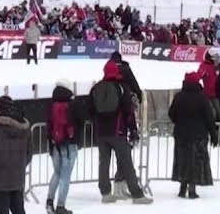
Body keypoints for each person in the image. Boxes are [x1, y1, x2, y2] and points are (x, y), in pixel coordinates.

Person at [90, 61, 151, 204]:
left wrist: (98, 122)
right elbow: (128, 112)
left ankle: (105, 193)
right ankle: (137, 194)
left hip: (101, 133)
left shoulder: (95, 88)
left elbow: (90, 110)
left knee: (103, 162)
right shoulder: (122, 88)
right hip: (118, 131)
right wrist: (133, 130)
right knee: (126, 163)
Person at [167, 72, 217, 200]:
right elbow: (209, 118)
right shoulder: (202, 98)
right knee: (195, 162)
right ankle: (192, 190)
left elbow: (171, 113)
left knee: (182, 161)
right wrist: (213, 133)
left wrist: (179, 122)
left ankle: (182, 189)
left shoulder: (179, 97)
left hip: (181, 135)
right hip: (198, 136)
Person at [45, 79, 88, 214]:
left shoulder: (51, 103)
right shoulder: (73, 103)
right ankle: (61, 206)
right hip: (70, 144)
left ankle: (49, 201)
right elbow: (83, 118)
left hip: (54, 144)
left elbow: (48, 123)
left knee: (57, 173)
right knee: (65, 176)